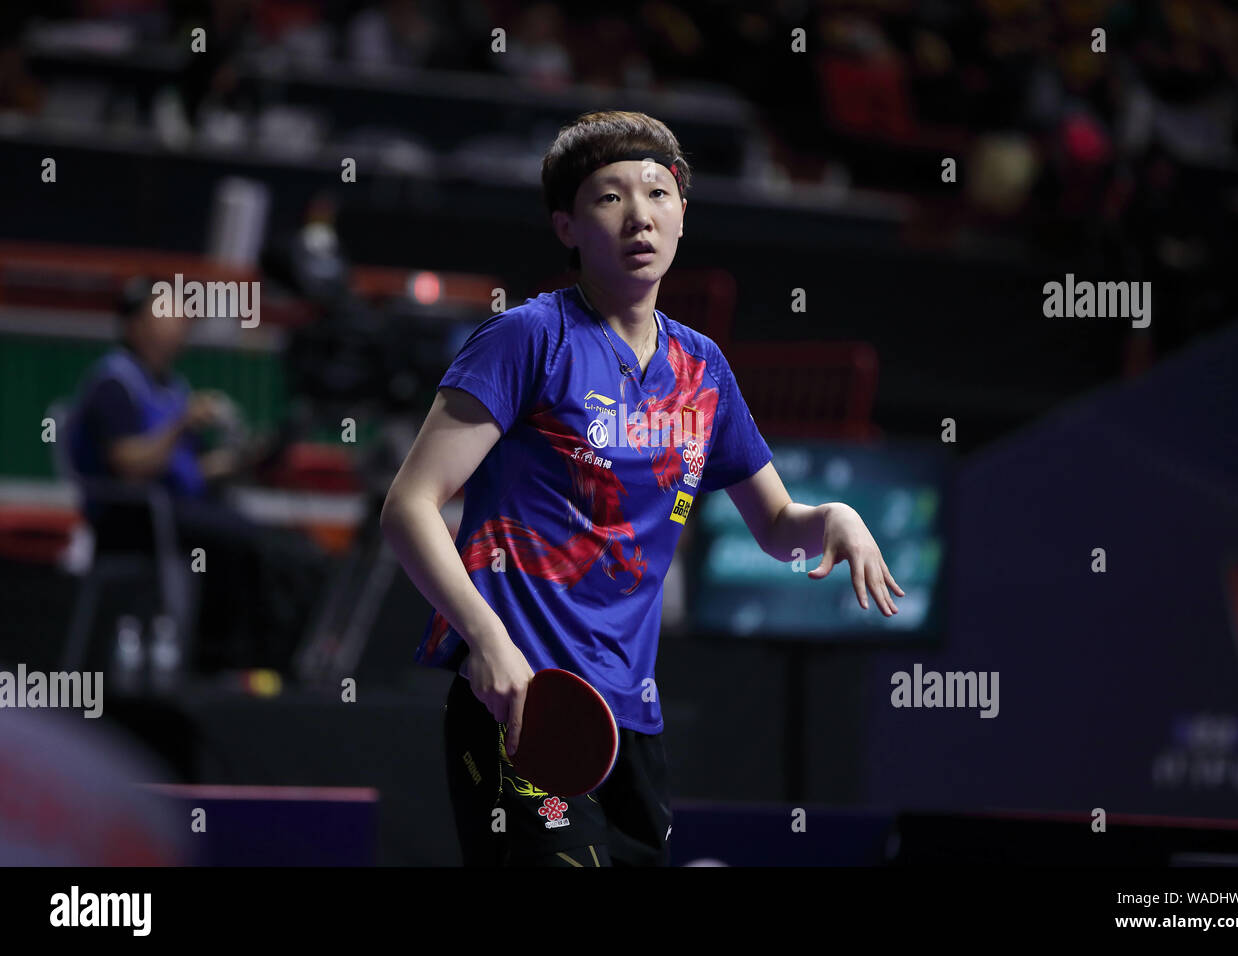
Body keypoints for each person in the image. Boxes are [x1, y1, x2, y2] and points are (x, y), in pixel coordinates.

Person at [380, 110, 904, 867]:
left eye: (658, 194)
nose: (639, 216)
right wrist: (486, 641)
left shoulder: (702, 369)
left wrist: (837, 518)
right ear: (566, 226)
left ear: (683, 216)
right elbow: (410, 504)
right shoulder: (530, 338)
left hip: (631, 718)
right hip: (522, 702)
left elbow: (778, 522)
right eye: (608, 198)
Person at [66, 277, 325, 676]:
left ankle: (269, 664)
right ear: (135, 323)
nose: (182, 320)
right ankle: (231, 664)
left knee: (293, 548)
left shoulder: (173, 386)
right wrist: (182, 422)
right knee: (252, 545)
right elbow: (129, 465)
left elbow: (195, 468)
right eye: (166, 311)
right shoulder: (113, 384)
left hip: (184, 509)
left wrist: (251, 458)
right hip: (136, 519)